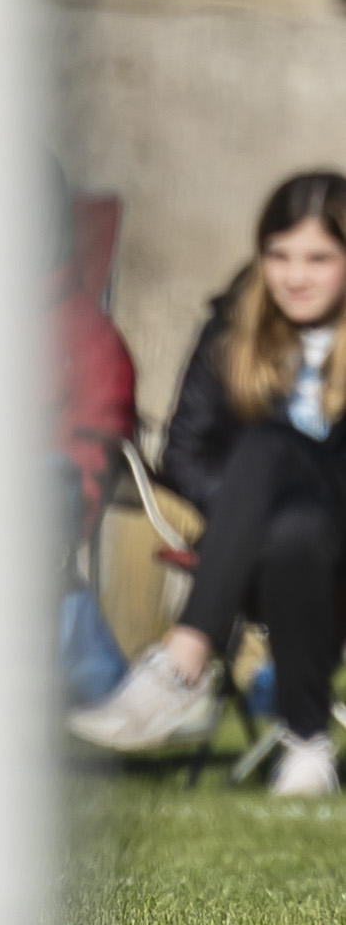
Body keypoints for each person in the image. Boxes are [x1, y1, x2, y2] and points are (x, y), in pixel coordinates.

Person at [68, 171, 346, 796]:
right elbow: (186, 454)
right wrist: (251, 517)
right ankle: (308, 748)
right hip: (269, 543)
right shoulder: (232, 326)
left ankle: (184, 659)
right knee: (293, 525)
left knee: (270, 448)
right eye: (279, 255)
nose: (295, 276)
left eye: (319, 259)